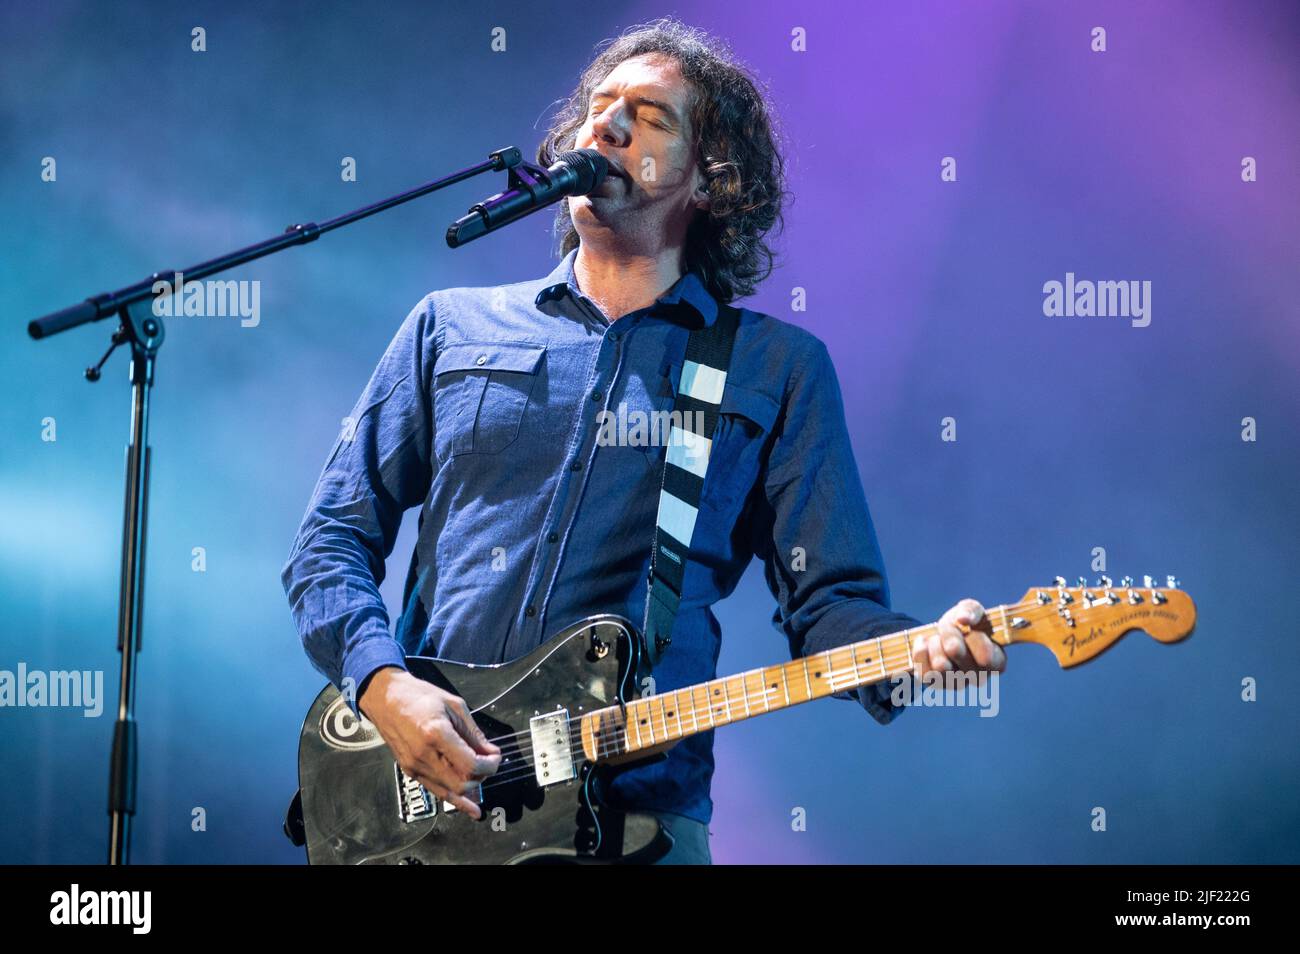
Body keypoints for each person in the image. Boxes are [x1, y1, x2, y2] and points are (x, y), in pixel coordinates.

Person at [281, 17, 1005, 865]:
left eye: (651, 116)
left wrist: (916, 650)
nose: (607, 127)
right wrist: (382, 682)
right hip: (423, 815)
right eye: (598, 106)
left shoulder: (775, 367)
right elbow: (329, 541)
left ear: (710, 180)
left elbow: (831, 604)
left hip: (631, 831)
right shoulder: (449, 326)